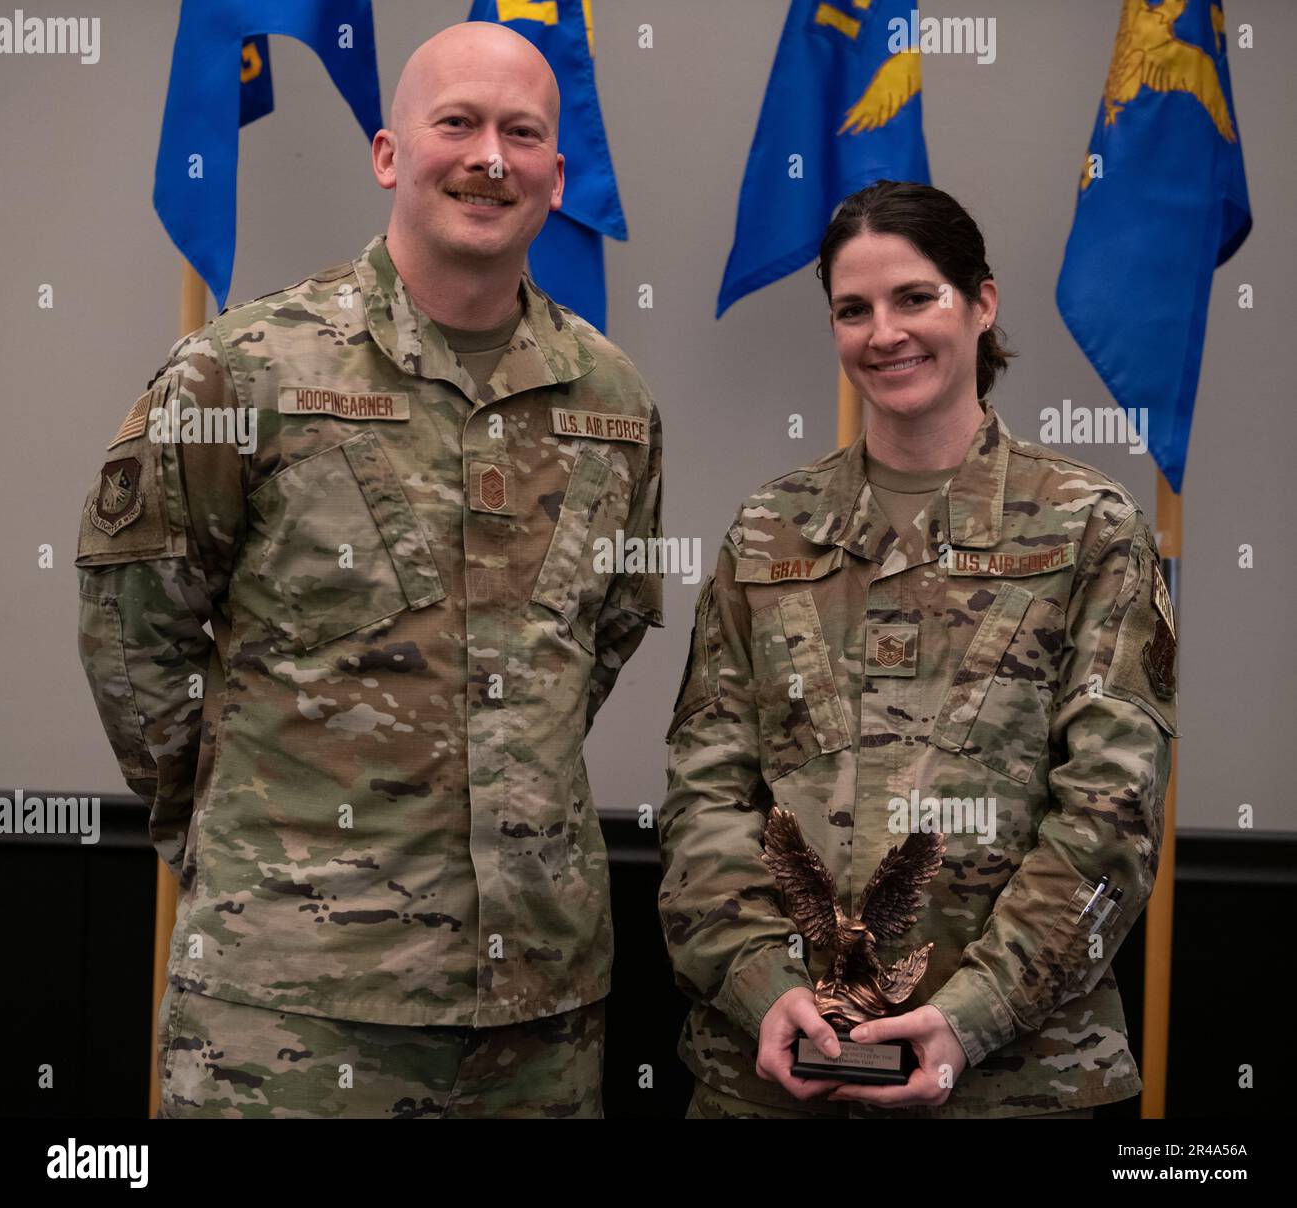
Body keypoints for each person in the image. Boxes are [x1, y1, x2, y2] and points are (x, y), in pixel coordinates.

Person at [74, 22, 663, 1119]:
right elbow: (134, 636)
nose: (489, 156)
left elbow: (597, 638)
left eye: (521, 132)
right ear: (391, 153)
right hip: (291, 1007)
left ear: (555, 174)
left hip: (537, 1008)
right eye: (458, 123)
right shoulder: (242, 371)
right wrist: (238, 843)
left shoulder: (611, 402)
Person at [659, 180, 1178, 1119]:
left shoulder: (1091, 528)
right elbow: (707, 794)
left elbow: (1112, 815)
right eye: (852, 310)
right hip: (773, 1078)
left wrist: (970, 1017)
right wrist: (758, 989)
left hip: (1015, 1082)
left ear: (981, 303)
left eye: (915, 297)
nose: (883, 332)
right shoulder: (771, 531)